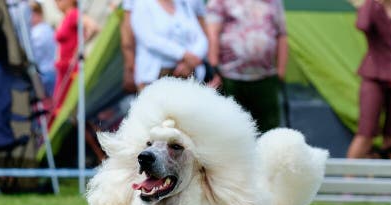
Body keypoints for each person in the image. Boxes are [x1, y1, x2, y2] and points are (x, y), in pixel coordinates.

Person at [205, 0, 287, 133]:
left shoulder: (274, 2)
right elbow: (212, 33)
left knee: (269, 132)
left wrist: (281, 70)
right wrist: (214, 70)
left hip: (266, 78)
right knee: (230, 131)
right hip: (229, 78)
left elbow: (281, 34)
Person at [347, 0, 391, 160]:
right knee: (366, 132)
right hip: (374, 75)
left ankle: (389, 179)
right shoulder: (371, 9)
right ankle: (349, 179)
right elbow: (362, 25)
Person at [120, 0, 206, 93]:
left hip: (188, 75)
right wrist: (183, 55)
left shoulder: (182, 4)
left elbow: (200, 38)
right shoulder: (142, 4)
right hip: (154, 79)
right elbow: (149, 39)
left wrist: (191, 61)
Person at [52, 0, 98, 112]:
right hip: (64, 68)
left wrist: (80, 47)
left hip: (72, 68)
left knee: (69, 106)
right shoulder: (65, 17)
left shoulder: (74, 14)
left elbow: (94, 27)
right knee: (63, 106)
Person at [29, 1, 56, 97]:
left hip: (46, 74)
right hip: (54, 69)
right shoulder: (48, 28)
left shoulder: (35, 34)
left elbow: (33, 58)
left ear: (36, 14)